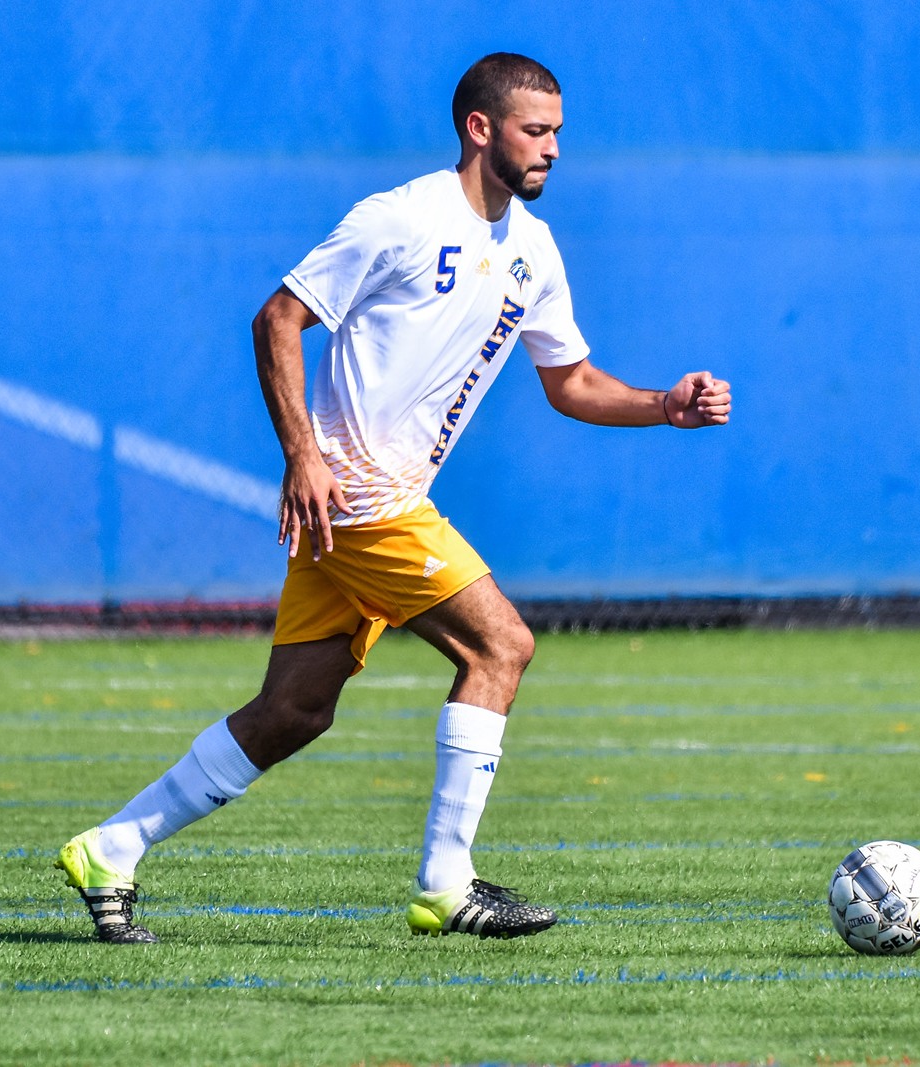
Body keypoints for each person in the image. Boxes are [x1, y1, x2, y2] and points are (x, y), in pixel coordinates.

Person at [53, 52, 731, 944]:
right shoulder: (403, 218)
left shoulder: (532, 248)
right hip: (359, 493)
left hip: (364, 507)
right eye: (537, 131)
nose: (554, 149)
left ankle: (114, 844)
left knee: (296, 709)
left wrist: (661, 406)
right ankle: (447, 886)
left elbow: (569, 381)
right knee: (502, 646)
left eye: (560, 132)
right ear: (479, 129)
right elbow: (278, 319)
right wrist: (303, 455)